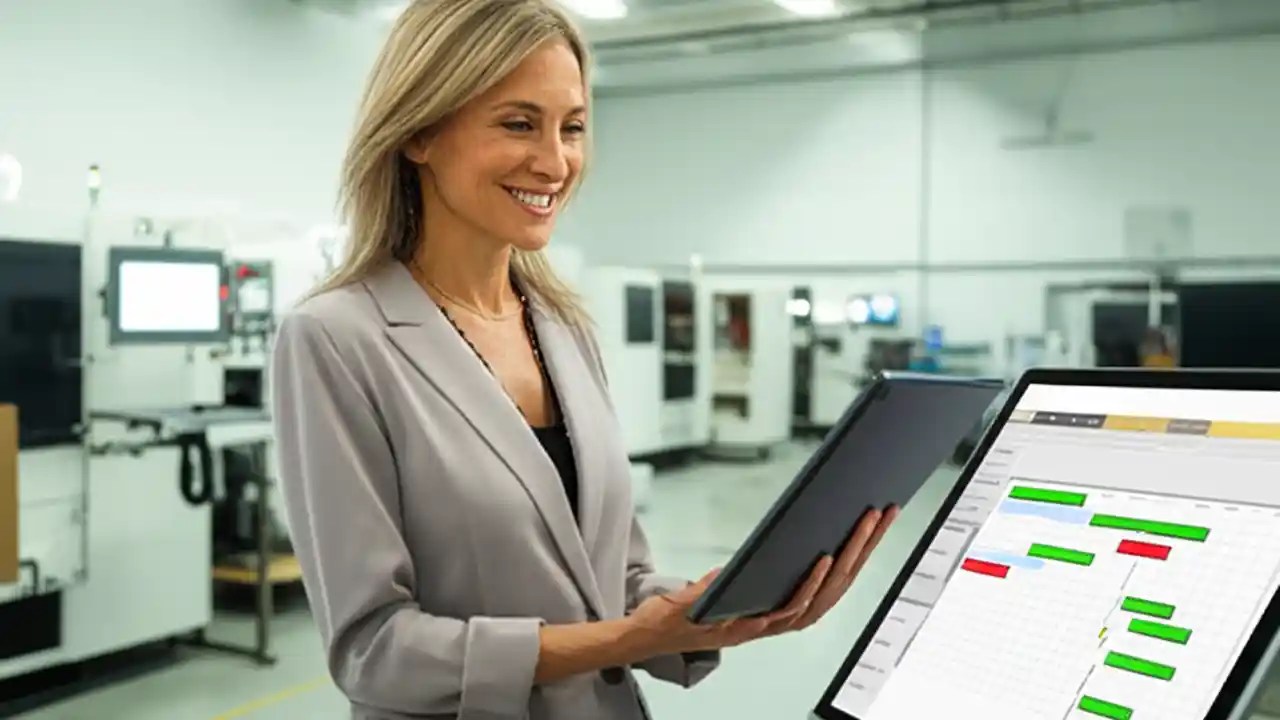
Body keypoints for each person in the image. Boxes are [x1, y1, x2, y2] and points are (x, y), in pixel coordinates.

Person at [269, 0, 898, 717]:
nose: (555, 162)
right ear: (420, 131)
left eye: (572, 128)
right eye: (518, 123)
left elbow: (618, 574)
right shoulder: (338, 339)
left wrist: (708, 609)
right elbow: (373, 650)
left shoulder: (565, 329)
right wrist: (622, 641)